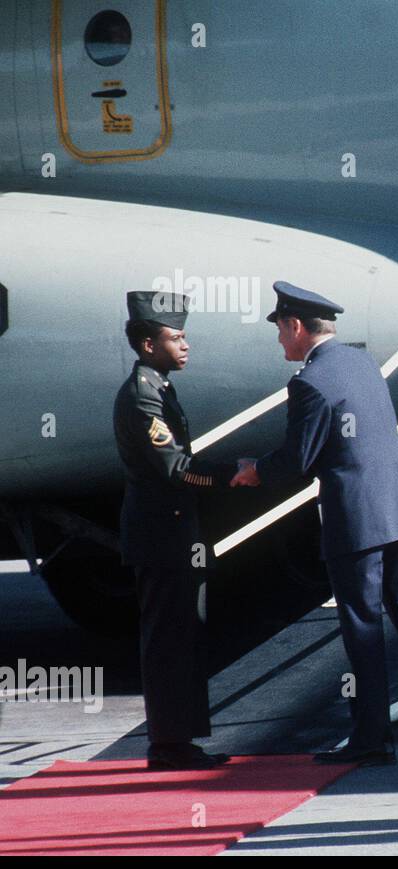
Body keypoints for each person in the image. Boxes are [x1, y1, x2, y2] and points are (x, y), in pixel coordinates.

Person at [234, 281, 398, 766]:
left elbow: (299, 458)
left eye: (279, 329)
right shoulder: (361, 362)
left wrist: (255, 471)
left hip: (356, 520)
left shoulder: (309, 382)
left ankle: (373, 739)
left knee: (361, 625)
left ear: (295, 326)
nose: (278, 340)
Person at [113, 290, 234, 771]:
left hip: (177, 533)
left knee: (184, 634)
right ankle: (167, 744)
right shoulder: (144, 393)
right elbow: (175, 468)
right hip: (161, 536)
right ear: (147, 344)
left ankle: (181, 739)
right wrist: (233, 474)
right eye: (175, 337)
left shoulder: (159, 385)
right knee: (168, 637)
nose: (185, 345)